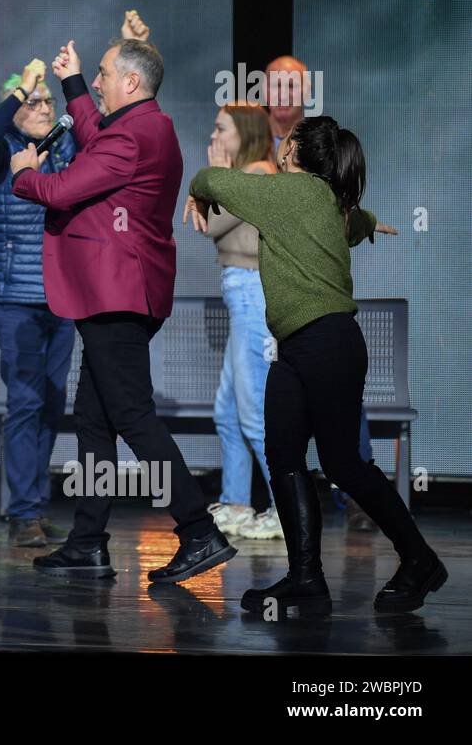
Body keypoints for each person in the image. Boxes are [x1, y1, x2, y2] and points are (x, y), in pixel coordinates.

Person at [187, 117, 446, 613]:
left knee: (343, 464)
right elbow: (352, 224)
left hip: (326, 343)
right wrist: (370, 223)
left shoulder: (287, 192)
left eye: (290, 138)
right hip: (302, 348)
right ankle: (306, 577)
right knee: (283, 456)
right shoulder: (324, 200)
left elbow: (211, 180)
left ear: (295, 150)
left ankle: (420, 560)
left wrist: (197, 194)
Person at [11, 37, 235, 584]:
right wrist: (71, 83)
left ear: (131, 82)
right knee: (94, 421)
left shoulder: (136, 135)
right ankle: (88, 542)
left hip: (118, 296)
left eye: (103, 75)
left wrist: (23, 174)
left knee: (132, 415)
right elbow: (94, 136)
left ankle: (200, 531)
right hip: (113, 296)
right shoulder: (140, 129)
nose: (97, 85)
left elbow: (63, 189)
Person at [264, 55, 376, 532]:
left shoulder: (315, 144)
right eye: (277, 83)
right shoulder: (251, 133)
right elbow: (222, 180)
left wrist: (365, 221)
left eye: (295, 84)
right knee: (274, 428)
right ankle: (300, 564)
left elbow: (333, 211)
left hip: (316, 307)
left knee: (339, 427)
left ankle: (357, 497)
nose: (286, 92)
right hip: (262, 284)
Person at [0, 64, 76, 548]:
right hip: (14, 296)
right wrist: (20, 89)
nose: (42, 109)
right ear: (13, 109)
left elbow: (111, 129)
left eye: (47, 102)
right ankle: (23, 513)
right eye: (32, 103)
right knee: (26, 401)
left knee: (52, 403)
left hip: (64, 294)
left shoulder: (64, 147)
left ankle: (34, 504)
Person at [200, 102, 282, 540]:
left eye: (221, 129)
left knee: (253, 413)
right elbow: (205, 219)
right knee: (228, 410)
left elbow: (210, 224)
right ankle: (236, 504)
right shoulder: (242, 176)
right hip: (240, 293)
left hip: (253, 294)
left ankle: (287, 509)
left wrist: (215, 176)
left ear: (244, 133)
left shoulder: (258, 174)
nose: (215, 138)